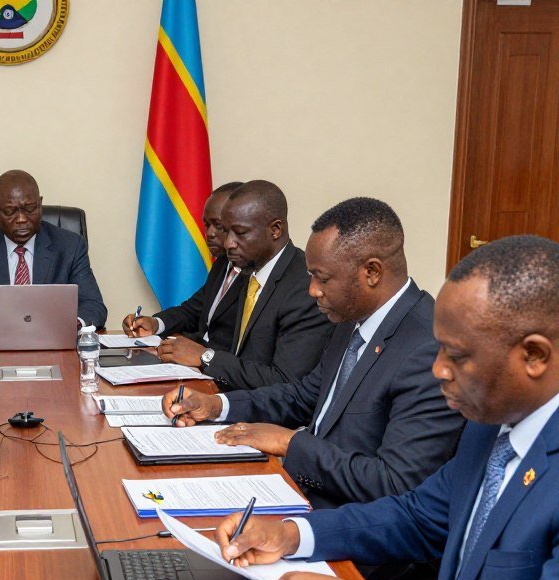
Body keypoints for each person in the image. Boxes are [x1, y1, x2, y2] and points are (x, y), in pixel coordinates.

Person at [212, 235, 559, 580]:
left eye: (457, 355)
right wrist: (293, 533)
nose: (438, 369)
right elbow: (419, 515)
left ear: (534, 355)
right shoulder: (494, 421)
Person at [163, 198, 465, 508]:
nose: (313, 290)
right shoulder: (352, 317)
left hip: (349, 522)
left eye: (323, 278)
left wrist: (289, 443)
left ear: (372, 272)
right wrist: (216, 406)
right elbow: (304, 396)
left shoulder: (429, 348)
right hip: (298, 489)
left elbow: (392, 482)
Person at [153, 180, 332, 390]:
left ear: (275, 229)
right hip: (231, 395)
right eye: (227, 231)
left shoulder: (304, 287)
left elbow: (285, 383)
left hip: (266, 415)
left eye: (240, 232)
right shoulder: (251, 269)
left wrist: (206, 358)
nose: (228, 243)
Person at [0, 169, 108, 333]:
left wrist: (69, 324)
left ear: (40, 204)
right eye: (10, 211)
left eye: (30, 209)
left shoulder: (70, 246)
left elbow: (94, 306)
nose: (22, 219)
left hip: (54, 346)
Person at [122, 182, 245, 351]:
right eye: (207, 224)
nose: (209, 233)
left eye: (218, 225)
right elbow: (191, 311)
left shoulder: (256, 275)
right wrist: (155, 324)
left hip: (218, 367)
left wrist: (203, 357)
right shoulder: (223, 264)